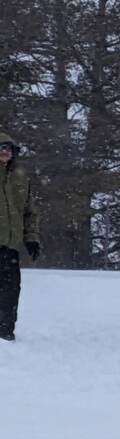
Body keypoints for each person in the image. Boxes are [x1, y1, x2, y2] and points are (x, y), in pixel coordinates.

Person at [0, 134, 39, 342]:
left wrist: (31, 238)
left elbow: (29, 212)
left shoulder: (20, 178)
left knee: (11, 290)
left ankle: (5, 332)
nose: (4, 153)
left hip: (10, 247)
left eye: (7, 149)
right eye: (0, 149)